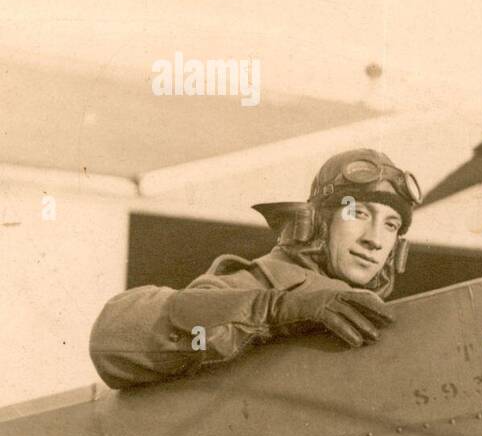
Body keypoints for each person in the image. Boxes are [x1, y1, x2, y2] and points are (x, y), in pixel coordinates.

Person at [89, 149, 421, 390]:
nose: (375, 240)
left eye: (391, 225)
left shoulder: (371, 316)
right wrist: (275, 309)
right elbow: (111, 337)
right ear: (317, 223)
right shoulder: (261, 282)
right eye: (359, 214)